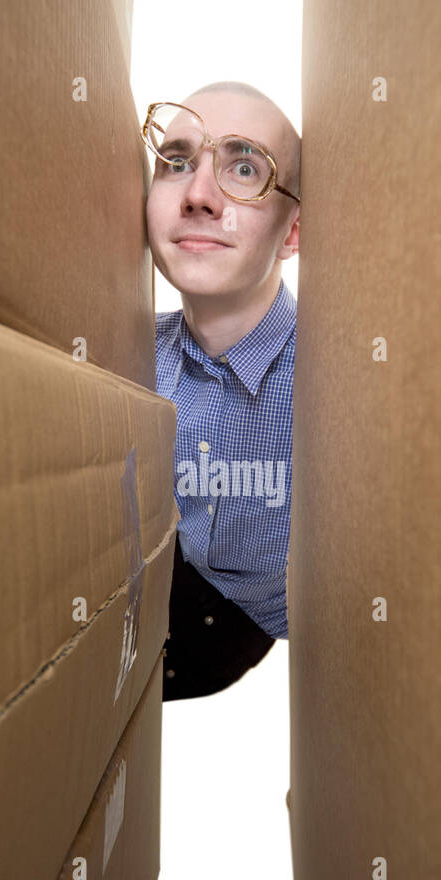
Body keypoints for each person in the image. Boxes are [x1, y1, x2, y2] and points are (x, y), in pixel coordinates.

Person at [143, 82, 301, 701]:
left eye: (243, 168)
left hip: (240, 635)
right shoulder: (121, 356)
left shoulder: (336, 383)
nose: (200, 196)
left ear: (293, 233)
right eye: (176, 163)